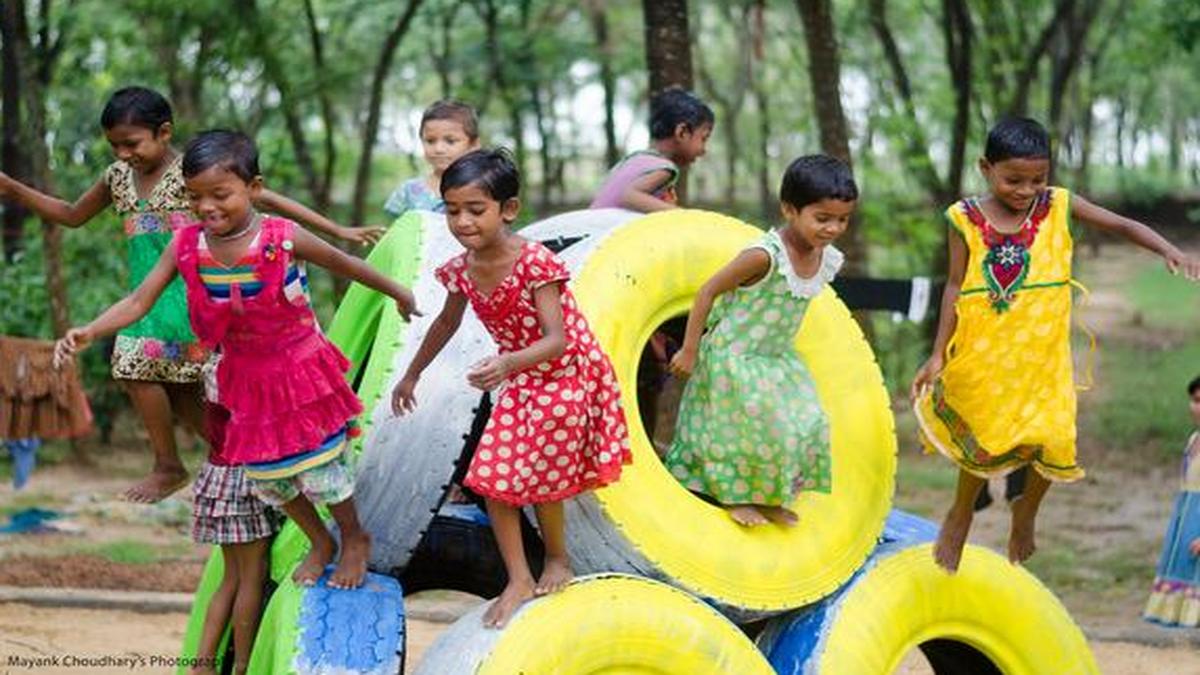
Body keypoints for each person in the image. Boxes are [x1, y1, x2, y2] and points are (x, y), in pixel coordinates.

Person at [55, 130, 419, 589]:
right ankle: (318, 540)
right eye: (195, 197)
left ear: (254, 188)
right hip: (243, 379)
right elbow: (138, 301)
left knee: (319, 467)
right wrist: (90, 330)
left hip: (298, 371)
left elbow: (345, 264)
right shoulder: (186, 244)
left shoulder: (281, 238)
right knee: (267, 476)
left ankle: (352, 536)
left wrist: (399, 292)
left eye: (220, 194)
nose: (206, 207)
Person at [0, 86, 383, 504]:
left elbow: (266, 198)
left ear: (164, 132)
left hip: (195, 294)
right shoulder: (116, 178)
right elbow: (72, 215)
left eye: (132, 143)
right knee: (157, 378)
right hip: (148, 296)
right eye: (115, 146)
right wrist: (13, 189)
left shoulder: (191, 175)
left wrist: (337, 230)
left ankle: (210, 467)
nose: (124, 154)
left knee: (153, 372)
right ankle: (211, 470)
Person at [911, 117, 1200, 572]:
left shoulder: (1058, 205)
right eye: (1013, 180)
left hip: (1042, 357)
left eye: (1037, 179)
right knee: (983, 433)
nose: (1026, 190)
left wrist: (1169, 249)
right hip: (985, 353)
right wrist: (937, 353)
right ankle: (961, 511)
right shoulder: (963, 218)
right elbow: (953, 285)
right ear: (986, 168)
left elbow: (1122, 225)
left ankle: (1025, 510)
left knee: (1052, 437)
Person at [393, 149, 631, 628]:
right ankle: (519, 578)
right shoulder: (461, 269)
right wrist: (412, 373)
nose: (463, 222)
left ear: (509, 209)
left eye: (475, 209)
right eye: (452, 211)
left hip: (567, 374)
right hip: (523, 376)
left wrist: (505, 363)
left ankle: (558, 559)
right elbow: (445, 323)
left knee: (544, 476)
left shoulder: (535, 262)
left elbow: (556, 339)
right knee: (491, 480)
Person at [663, 155, 853, 527]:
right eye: (822, 218)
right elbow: (707, 291)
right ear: (789, 209)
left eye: (842, 219)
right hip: (734, 355)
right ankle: (732, 497)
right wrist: (689, 348)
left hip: (775, 358)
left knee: (803, 423)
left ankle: (768, 497)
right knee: (738, 433)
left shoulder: (825, 257)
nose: (833, 228)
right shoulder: (764, 256)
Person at [189, 405, 276, 675]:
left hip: (217, 476)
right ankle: (243, 665)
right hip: (244, 477)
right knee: (253, 576)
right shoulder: (244, 385)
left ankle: (203, 663)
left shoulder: (212, 380)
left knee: (232, 578)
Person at [589, 86, 713, 212]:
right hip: (606, 224)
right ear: (682, 132)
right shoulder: (663, 168)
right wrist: (683, 216)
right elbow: (629, 197)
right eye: (704, 138)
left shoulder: (635, 160)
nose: (704, 150)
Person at [1143, 375, 1200, 628]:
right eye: (1195, 401)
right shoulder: (1193, 440)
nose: (1197, 407)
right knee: (1184, 568)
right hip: (1186, 517)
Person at [383, 100, 480, 219]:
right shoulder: (408, 191)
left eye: (450, 141)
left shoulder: (484, 188)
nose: (438, 149)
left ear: (473, 145)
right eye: (430, 141)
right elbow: (393, 228)